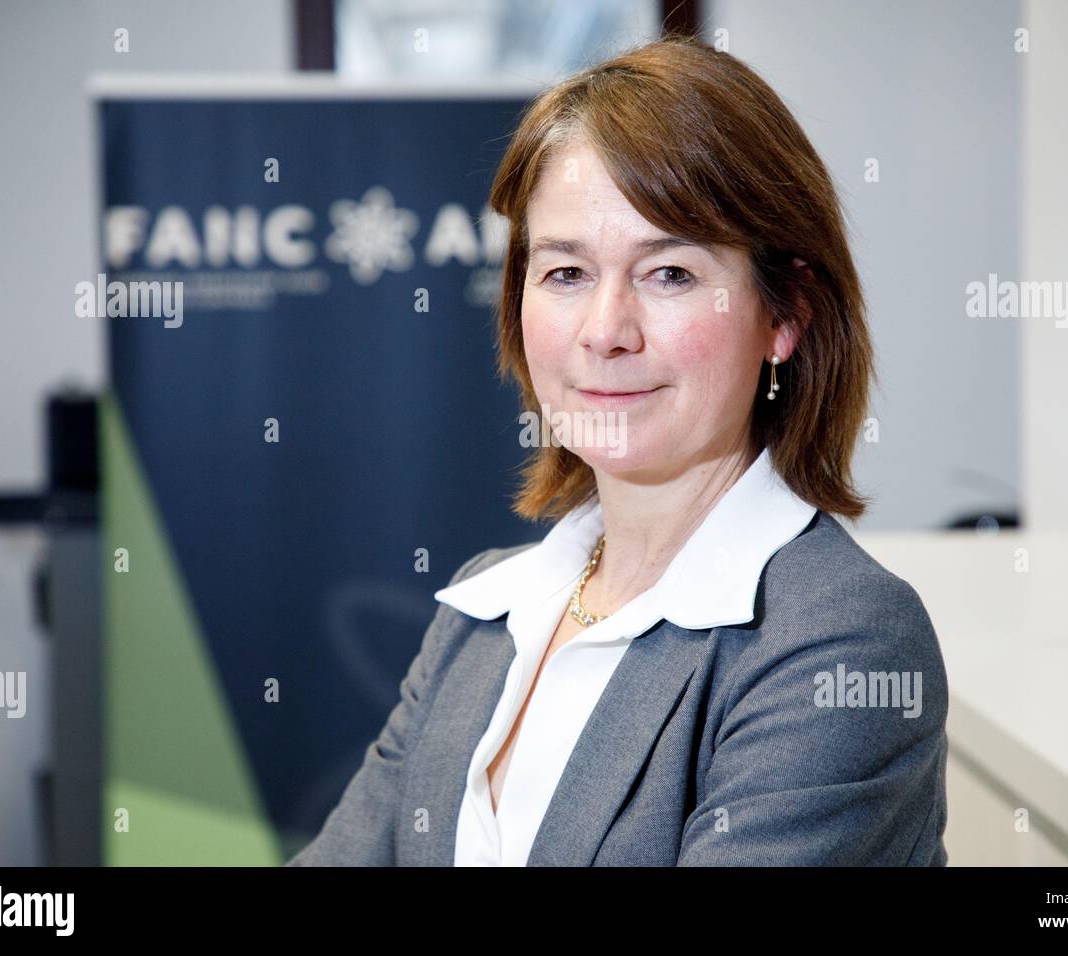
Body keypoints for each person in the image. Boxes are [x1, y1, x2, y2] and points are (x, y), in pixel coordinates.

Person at [289, 33, 948, 867]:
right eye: (565, 273)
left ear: (785, 317)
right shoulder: (483, 615)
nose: (605, 333)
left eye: (668, 273)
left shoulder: (841, 642)